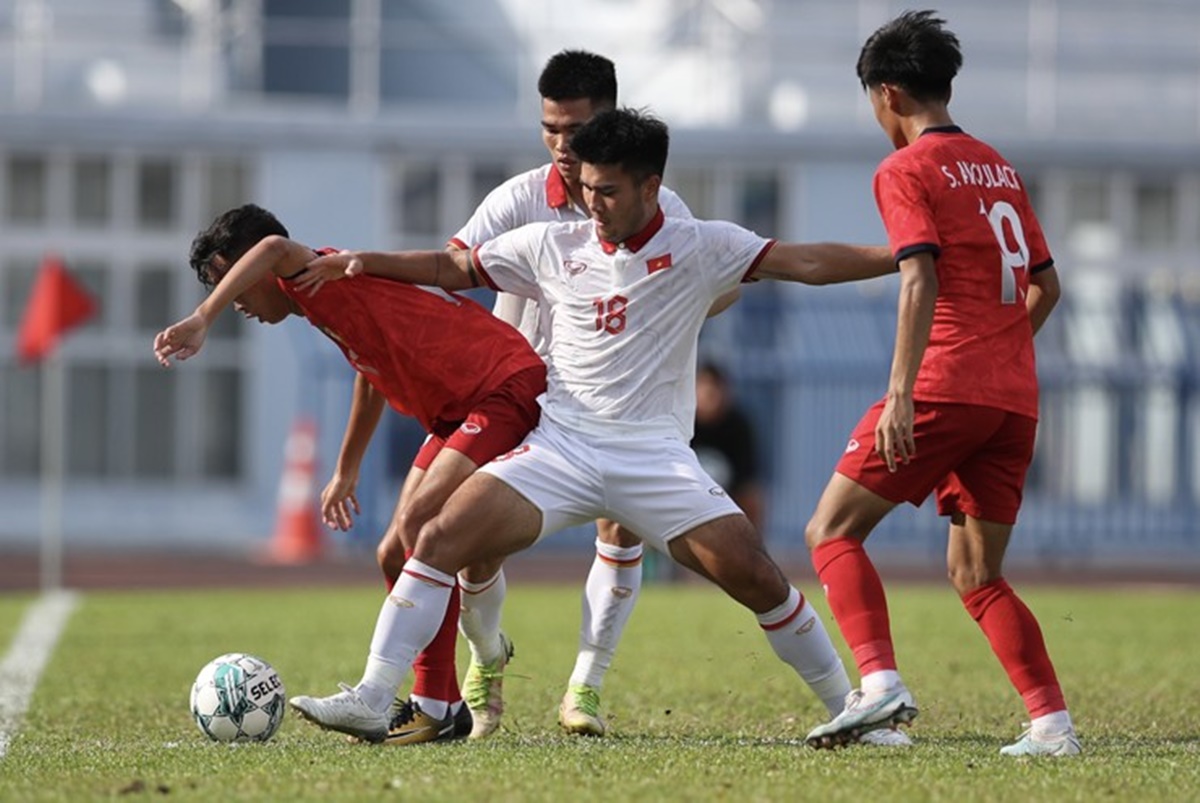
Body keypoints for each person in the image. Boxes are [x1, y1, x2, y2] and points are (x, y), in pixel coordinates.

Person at [284, 107, 902, 747]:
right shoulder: (552, 246)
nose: (592, 204)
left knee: (760, 578)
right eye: (586, 190)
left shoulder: (702, 244)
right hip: (560, 449)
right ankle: (373, 695)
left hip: (653, 458)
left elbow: (807, 263)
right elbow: (451, 268)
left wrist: (901, 255)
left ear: (650, 187)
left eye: (608, 191)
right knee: (437, 538)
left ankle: (854, 712)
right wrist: (362, 261)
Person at [151, 204, 546, 746]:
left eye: (232, 284)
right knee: (394, 552)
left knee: (421, 523)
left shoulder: (311, 278)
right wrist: (346, 470)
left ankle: (387, 696)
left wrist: (202, 317)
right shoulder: (327, 299)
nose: (238, 301)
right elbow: (371, 373)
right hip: (460, 408)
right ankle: (444, 703)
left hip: (502, 386)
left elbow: (272, 247)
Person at [801, 11, 1076, 756]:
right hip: (1014, 397)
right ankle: (1052, 725)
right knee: (977, 570)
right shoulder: (999, 166)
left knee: (830, 530)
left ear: (887, 93)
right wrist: (1000, 350)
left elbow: (916, 273)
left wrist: (900, 391)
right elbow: (1047, 288)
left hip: (944, 384)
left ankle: (880, 683)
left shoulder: (905, 169)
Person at [448, 48, 730, 739]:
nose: (563, 145)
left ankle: (586, 686)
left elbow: (714, 287)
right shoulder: (516, 200)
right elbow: (453, 269)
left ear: (612, 120)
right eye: (549, 128)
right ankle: (487, 659)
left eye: (576, 128)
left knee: (621, 526)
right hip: (515, 395)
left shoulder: (661, 205)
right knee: (470, 546)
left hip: (610, 406)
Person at [692, 361, 765, 531]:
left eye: (715, 388)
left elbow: (746, 478)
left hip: (726, 494)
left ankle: (749, 547)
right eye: (704, 388)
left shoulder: (737, 425)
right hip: (684, 491)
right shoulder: (684, 422)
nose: (710, 395)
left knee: (754, 499)